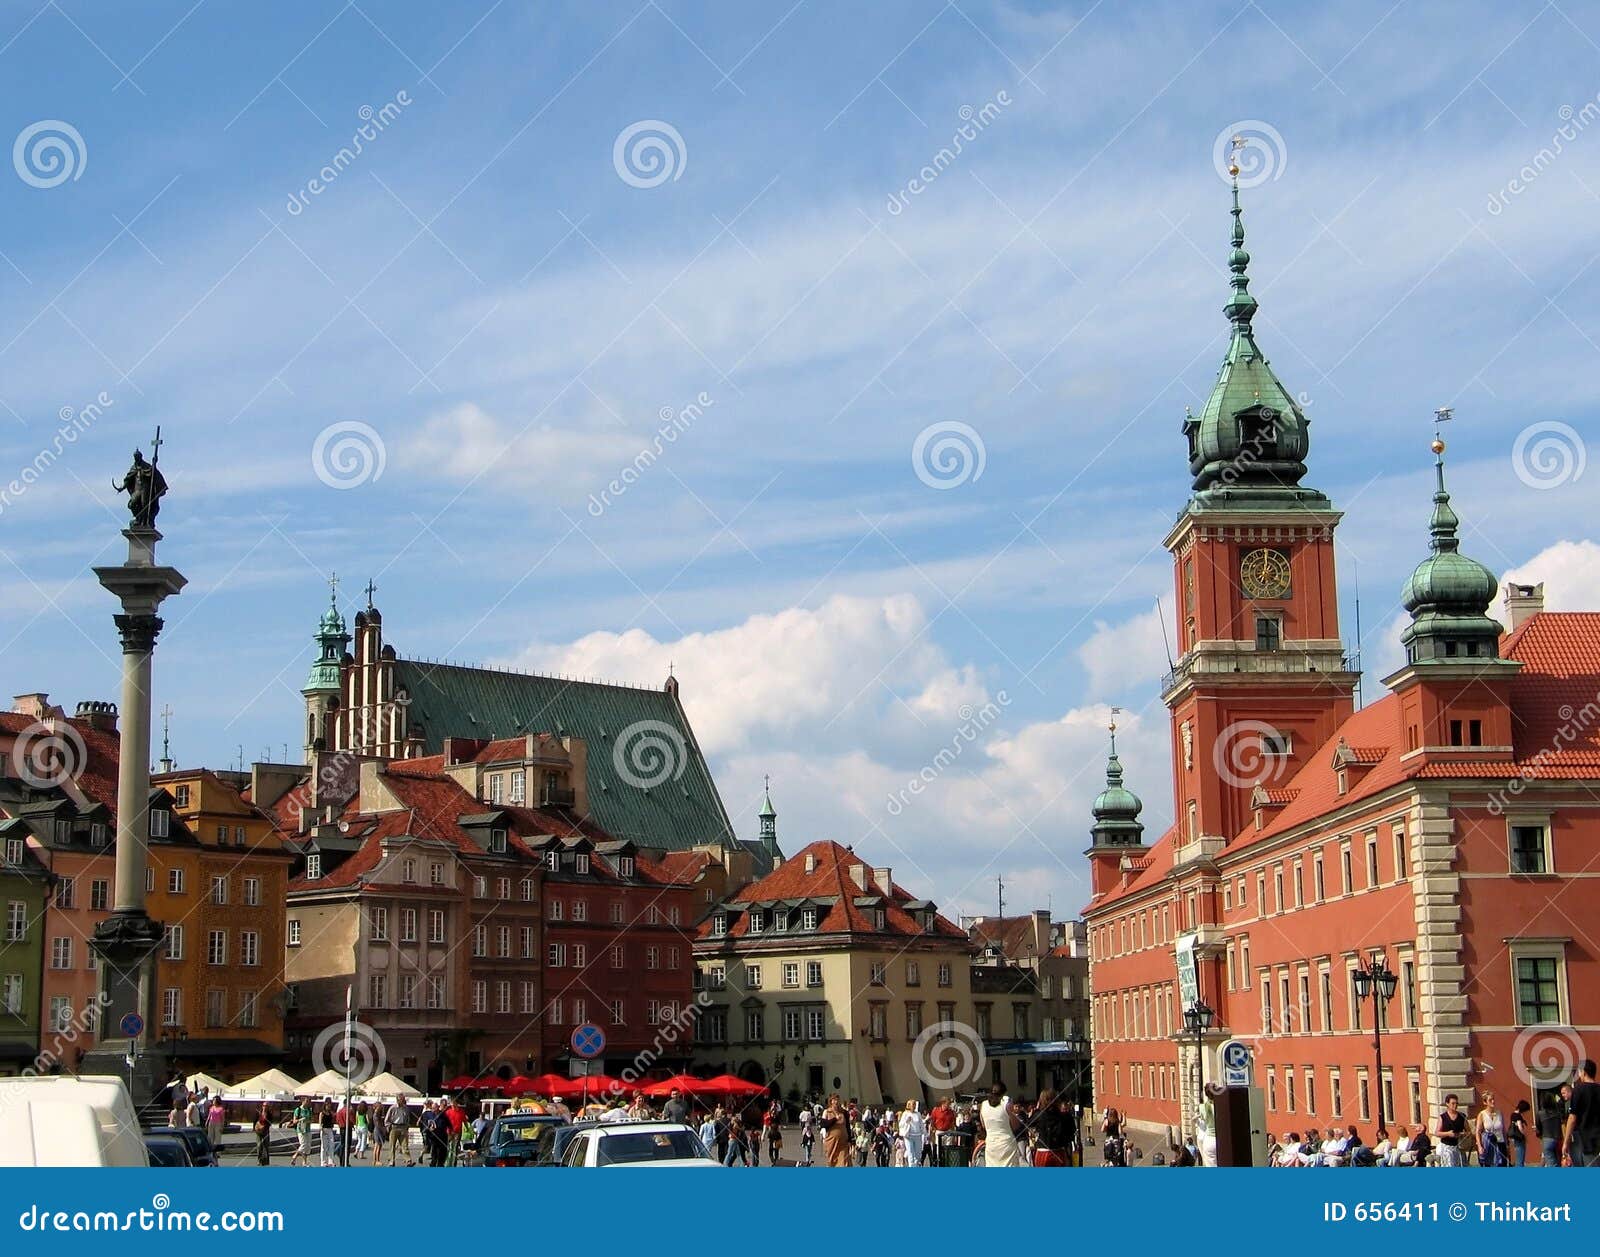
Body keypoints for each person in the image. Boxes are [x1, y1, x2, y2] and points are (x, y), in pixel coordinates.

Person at [1564, 1058, 1600, 1167]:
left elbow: (1572, 1118)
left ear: (1583, 1072)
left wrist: (1566, 1141)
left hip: (1589, 1141)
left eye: (1579, 1072)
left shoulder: (1578, 1090)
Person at [979, 1083, 1024, 1167]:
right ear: (1003, 1093)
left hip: (991, 1144)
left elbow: (983, 1125)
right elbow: (1015, 1126)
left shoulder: (983, 1105)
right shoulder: (1006, 1104)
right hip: (1006, 1143)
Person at [1030, 1090, 1076, 1167]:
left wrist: (1037, 1109)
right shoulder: (1065, 1116)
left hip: (1043, 1151)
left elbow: (1029, 1124)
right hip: (1059, 1151)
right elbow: (1071, 1133)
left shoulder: (1039, 1115)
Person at [1538, 1087, 1569, 1167]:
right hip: (1558, 1139)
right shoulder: (1558, 1113)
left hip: (1547, 1139)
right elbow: (1562, 1123)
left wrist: (1539, 1134)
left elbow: (1539, 1129)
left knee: (1552, 1165)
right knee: (1559, 1163)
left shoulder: (1540, 1113)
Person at [1475, 1091, 1507, 1166]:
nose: (1493, 1101)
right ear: (1485, 1102)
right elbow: (1478, 1131)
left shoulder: (1499, 1113)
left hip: (1500, 1143)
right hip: (1488, 1145)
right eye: (1490, 1100)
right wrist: (1479, 1146)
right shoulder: (1482, 1114)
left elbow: (1503, 1130)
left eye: (1493, 1099)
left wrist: (1507, 1144)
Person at [1435, 1094, 1467, 1166]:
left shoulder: (1462, 1116)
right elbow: (1437, 1133)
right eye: (1453, 1103)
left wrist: (1460, 1134)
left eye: (1456, 1103)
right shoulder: (1443, 1117)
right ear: (1447, 1104)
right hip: (1447, 1147)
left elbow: (1468, 1132)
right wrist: (1448, 1134)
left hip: (1459, 1147)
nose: (1455, 1105)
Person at [822, 1095, 851, 1167]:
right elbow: (823, 1124)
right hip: (831, 1142)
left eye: (837, 1100)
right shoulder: (827, 1111)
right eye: (834, 1100)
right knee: (831, 1162)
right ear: (831, 1101)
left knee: (844, 1162)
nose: (836, 1102)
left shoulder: (844, 1112)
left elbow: (847, 1126)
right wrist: (834, 1119)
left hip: (843, 1142)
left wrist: (850, 1140)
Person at [897, 1100, 926, 1169]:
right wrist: (907, 1121)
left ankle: (916, 1166)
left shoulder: (918, 1114)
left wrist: (925, 1133)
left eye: (914, 1105)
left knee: (918, 1153)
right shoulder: (905, 1114)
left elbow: (921, 1124)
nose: (914, 1106)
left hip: (918, 1135)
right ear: (909, 1105)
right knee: (910, 1153)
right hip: (909, 1136)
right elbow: (900, 1124)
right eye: (913, 1105)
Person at [385, 1096, 414, 1166]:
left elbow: (407, 1117)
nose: (403, 1101)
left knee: (405, 1145)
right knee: (392, 1145)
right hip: (394, 1127)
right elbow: (387, 1118)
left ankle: (408, 1161)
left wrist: (407, 1126)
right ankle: (391, 1161)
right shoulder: (393, 1108)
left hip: (403, 1127)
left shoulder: (406, 1108)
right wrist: (388, 1126)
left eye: (404, 1099)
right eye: (402, 1100)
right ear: (398, 1100)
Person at [288, 1098, 314, 1167]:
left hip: (307, 1129)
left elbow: (312, 1119)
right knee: (303, 1144)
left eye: (309, 1102)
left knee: (307, 1147)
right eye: (307, 1101)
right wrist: (300, 1119)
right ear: (303, 1101)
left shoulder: (309, 1110)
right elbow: (294, 1121)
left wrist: (308, 1121)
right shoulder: (298, 1110)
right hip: (301, 1130)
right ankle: (295, 1156)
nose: (308, 1103)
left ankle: (304, 1162)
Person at [1508, 1099, 1532, 1168]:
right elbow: (1520, 1127)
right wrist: (1525, 1135)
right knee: (1520, 1159)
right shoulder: (1518, 1116)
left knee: (1518, 1158)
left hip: (1515, 1139)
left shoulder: (1512, 1114)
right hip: (1520, 1139)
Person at [318, 1099, 338, 1167]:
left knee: (331, 1145)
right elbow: (320, 1123)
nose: (329, 1106)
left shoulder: (330, 1113)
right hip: (324, 1130)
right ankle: (323, 1162)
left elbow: (332, 1121)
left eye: (330, 1104)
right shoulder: (322, 1113)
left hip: (330, 1129)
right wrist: (322, 1129)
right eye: (328, 1105)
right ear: (325, 1105)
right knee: (324, 1146)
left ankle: (330, 1161)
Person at [252, 1102, 274, 1166]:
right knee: (259, 1146)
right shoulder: (258, 1112)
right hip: (258, 1131)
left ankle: (266, 1161)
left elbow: (270, 1123)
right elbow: (254, 1120)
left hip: (265, 1131)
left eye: (266, 1106)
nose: (265, 1107)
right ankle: (259, 1160)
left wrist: (264, 1126)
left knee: (266, 1146)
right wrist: (254, 1128)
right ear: (262, 1106)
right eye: (264, 1105)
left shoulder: (269, 1114)